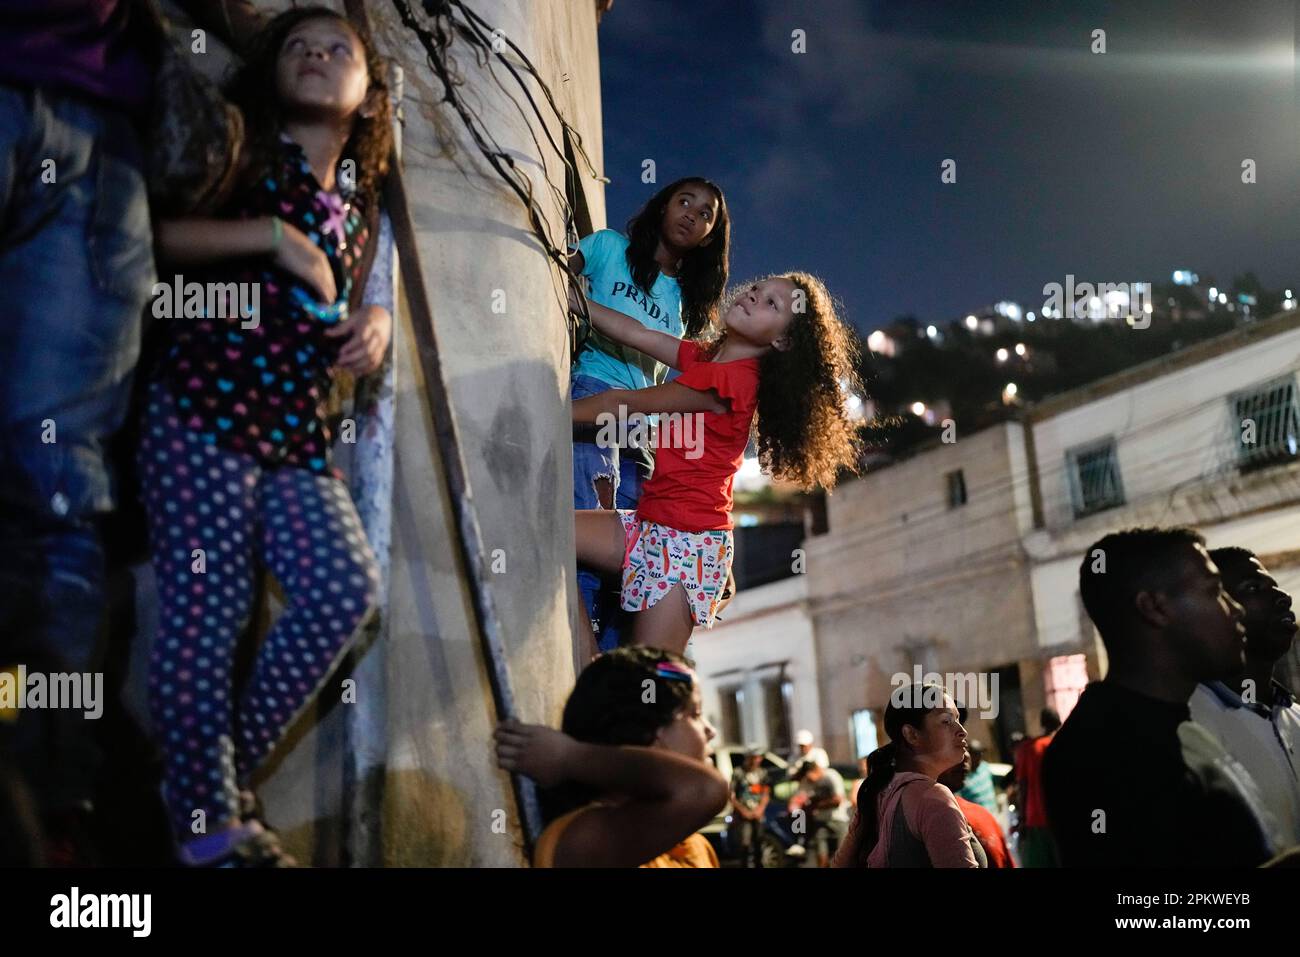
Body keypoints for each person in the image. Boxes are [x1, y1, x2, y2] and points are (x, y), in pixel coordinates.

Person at [138, 6, 392, 866]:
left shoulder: (358, 212)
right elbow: (156, 238)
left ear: (365, 95)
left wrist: (376, 324)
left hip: (291, 429)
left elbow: (340, 311)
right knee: (209, 609)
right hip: (205, 403)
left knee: (344, 586)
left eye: (338, 49)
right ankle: (211, 825)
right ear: (273, 71)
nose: (317, 56)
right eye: (298, 46)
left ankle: (202, 780)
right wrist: (275, 239)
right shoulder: (241, 150)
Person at [571, 275, 863, 654]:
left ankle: (600, 676)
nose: (754, 296)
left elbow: (619, 404)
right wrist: (575, 298)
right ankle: (590, 662)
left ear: (782, 341)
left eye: (772, 304)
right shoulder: (712, 357)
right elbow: (638, 334)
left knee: (646, 691)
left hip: (686, 548)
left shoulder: (731, 384)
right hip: (651, 523)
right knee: (555, 530)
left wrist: (550, 411)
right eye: (759, 291)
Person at [1042, 527, 1280, 867]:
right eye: (1215, 591)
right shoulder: (1100, 755)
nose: (1236, 610)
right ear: (1154, 608)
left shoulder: (1178, 723)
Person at [570, 179, 730, 652]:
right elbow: (554, 269)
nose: (692, 215)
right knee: (586, 537)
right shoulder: (607, 247)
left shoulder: (680, 298)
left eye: (706, 214)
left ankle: (624, 671)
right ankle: (584, 662)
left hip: (643, 432)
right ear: (662, 206)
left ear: (709, 235)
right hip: (594, 397)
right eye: (685, 202)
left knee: (642, 556)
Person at [495, 647, 728, 867]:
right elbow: (705, 789)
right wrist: (569, 757)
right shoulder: (582, 839)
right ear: (651, 734)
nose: (711, 730)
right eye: (695, 714)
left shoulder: (694, 846)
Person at [1190, 547, 1300, 846]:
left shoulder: (1294, 715)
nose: (1283, 597)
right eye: (1253, 588)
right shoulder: (1191, 729)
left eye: (1274, 584)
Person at [833, 684, 984, 868]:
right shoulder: (934, 799)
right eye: (947, 721)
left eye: (958, 720)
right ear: (912, 734)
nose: (962, 731)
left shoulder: (881, 791)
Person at [940, 752, 1015, 868]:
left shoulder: (982, 814)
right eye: (953, 746)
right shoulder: (927, 820)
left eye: (964, 747)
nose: (965, 756)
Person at [1015, 708, 1060, 867]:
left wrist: (1021, 819)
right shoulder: (1064, 745)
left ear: (1042, 723)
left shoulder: (1028, 748)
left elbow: (1023, 786)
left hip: (1035, 818)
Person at [801, 761, 850, 867]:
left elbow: (838, 800)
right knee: (821, 854)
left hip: (838, 819)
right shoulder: (811, 781)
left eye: (810, 777)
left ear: (815, 770)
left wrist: (817, 805)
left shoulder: (831, 776)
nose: (810, 780)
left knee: (842, 855)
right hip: (820, 820)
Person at [729, 746, 771, 867]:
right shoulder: (738, 773)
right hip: (743, 815)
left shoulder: (762, 773)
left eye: (758, 757)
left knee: (760, 842)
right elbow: (731, 795)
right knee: (745, 844)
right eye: (753, 757)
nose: (755, 760)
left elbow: (766, 793)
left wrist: (760, 809)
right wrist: (742, 811)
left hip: (758, 814)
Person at [956, 739, 998, 815]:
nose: (979, 758)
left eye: (980, 754)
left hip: (994, 816)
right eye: (976, 754)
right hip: (978, 821)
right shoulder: (961, 778)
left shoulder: (985, 767)